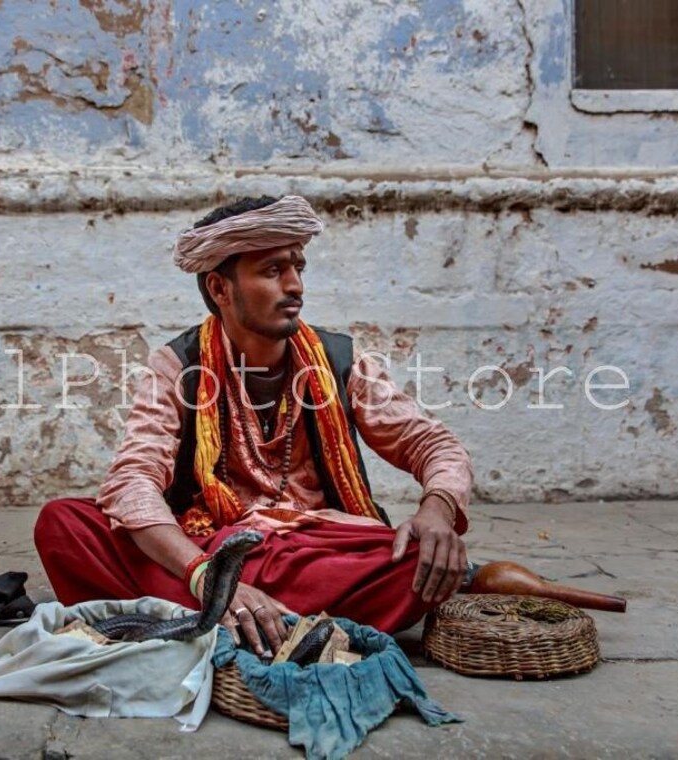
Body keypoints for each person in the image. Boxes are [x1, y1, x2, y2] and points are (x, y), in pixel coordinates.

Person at [34, 195, 473, 657]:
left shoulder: (341, 364)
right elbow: (133, 480)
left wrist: (437, 509)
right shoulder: (177, 367)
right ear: (221, 289)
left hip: (307, 547)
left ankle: (203, 620)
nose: (296, 286)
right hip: (204, 546)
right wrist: (207, 575)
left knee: (409, 562)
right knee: (63, 524)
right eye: (273, 271)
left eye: (298, 268)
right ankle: (257, 616)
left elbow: (433, 443)